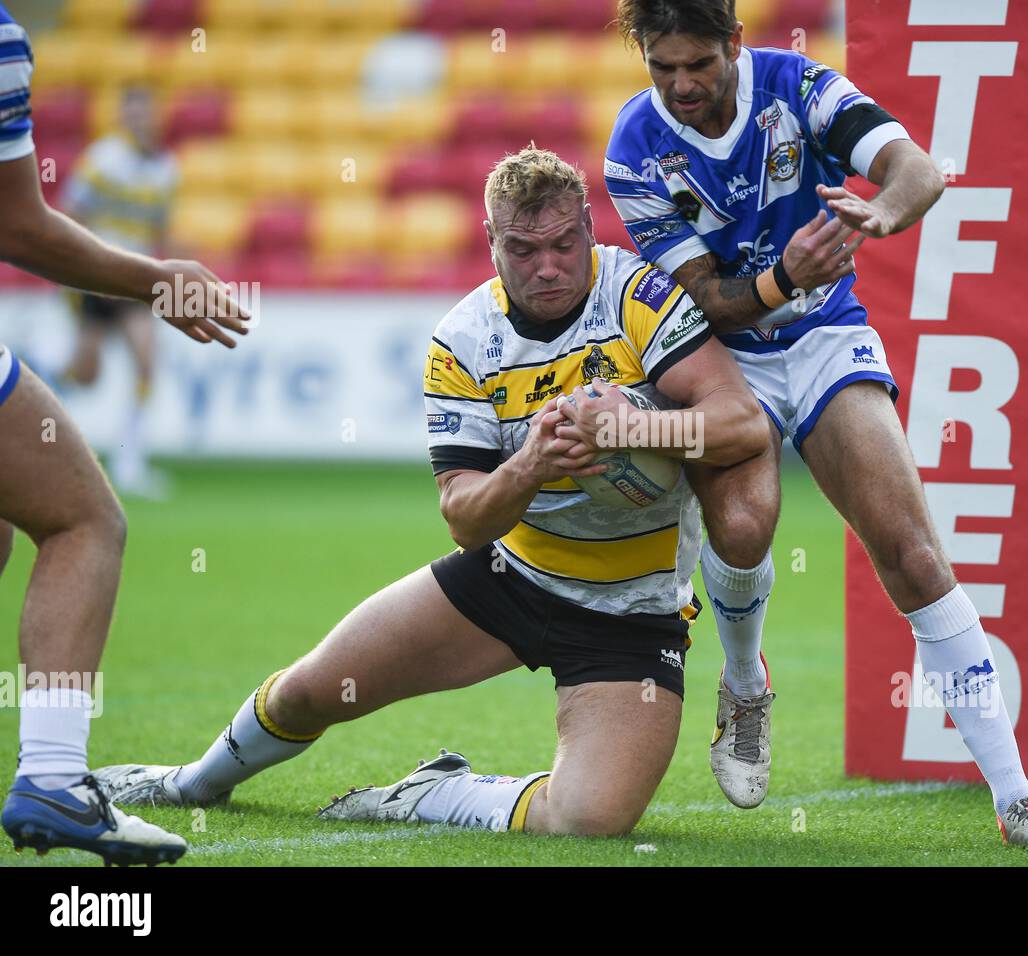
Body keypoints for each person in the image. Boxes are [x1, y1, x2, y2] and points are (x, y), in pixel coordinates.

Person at [91, 147, 770, 838]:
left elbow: (742, 422)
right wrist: (529, 465)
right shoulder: (465, 338)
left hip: (632, 610)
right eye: (523, 247)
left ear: (590, 229)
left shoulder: (639, 297)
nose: (547, 266)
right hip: (511, 575)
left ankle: (436, 793)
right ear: (490, 241)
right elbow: (465, 520)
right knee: (311, 691)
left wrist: (638, 428)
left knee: (589, 819)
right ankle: (190, 782)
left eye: (565, 244)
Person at [604, 0, 1028, 850]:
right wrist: (782, 277)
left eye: (697, 64)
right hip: (726, 354)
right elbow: (707, 301)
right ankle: (746, 682)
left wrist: (884, 213)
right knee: (748, 526)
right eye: (661, 66)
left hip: (826, 334)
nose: (680, 84)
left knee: (912, 554)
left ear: (734, 43)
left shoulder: (799, 87)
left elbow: (917, 169)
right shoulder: (635, 147)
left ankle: (1017, 801)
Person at [0, 2, 248, 866]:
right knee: (83, 520)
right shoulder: (8, 45)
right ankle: (57, 778)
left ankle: (137, 447)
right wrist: (149, 281)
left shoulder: (163, 167)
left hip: (108, 269)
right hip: (90, 272)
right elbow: (23, 220)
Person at [60, 86, 179, 497]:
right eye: (133, 112)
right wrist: (86, 270)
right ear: (122, 117)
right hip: (96, 276)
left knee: (147, 359)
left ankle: (129, 460)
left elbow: (160, 231)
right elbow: (71, 216)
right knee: (85, 375)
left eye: (145, 111)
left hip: (135, 280)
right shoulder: (103, 160)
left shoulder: (166, 168)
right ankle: (46, 431)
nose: (140, 120)